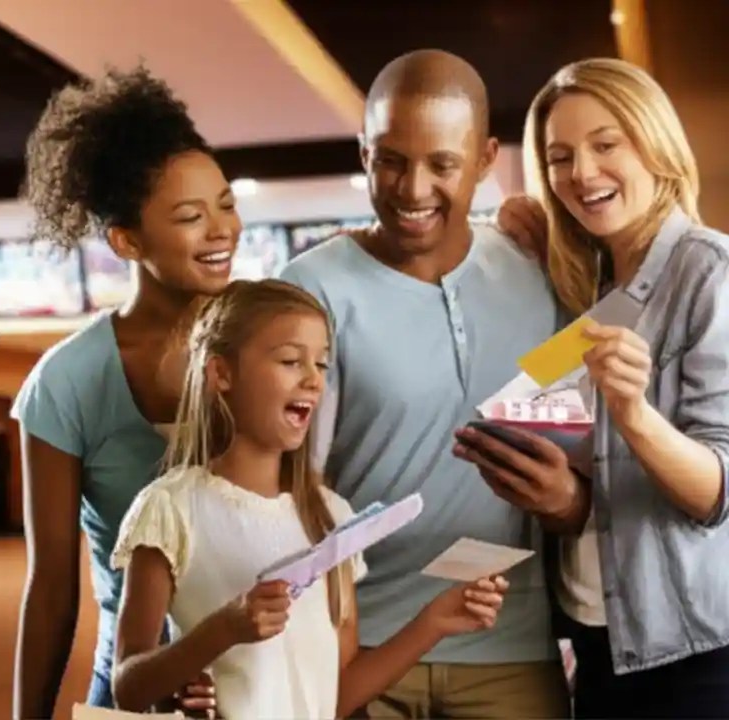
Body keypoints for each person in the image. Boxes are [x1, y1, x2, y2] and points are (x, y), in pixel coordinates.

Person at [277, 49, 570, 718]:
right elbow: (281, 484)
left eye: (442, 164)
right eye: (390, 160)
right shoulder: (309, 289)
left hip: (508, 645)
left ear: (486, 159)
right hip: (359, 648)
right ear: (363, 154)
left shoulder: (543, 272)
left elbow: (578, 438)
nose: (412, 190)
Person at [453, 57, 729, 718]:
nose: (582, 173)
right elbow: (599, 486)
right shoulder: (585, 284)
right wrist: (559, 497)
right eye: (559, 157)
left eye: (607, 145)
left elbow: (719, 491)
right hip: (598, 645)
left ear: (654, 142)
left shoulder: (709, 272)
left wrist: (634, 413)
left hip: (695, 656)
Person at [110, 279, 510, 719]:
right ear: (221, 373)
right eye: (289, 361)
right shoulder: (169, 507)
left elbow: (336, 699)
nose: (313, 380)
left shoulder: (333, 516)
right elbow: (129, 687)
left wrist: (434, 622)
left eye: (321, 364)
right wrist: (226, 629)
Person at [12, 65, 238, 717]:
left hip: (260, 685)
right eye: (192, 216)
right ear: (127, 240)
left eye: (225, 204)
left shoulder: (269, 342)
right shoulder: (68, 382)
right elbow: (52, 588)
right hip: (134, 693)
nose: (221, 230)